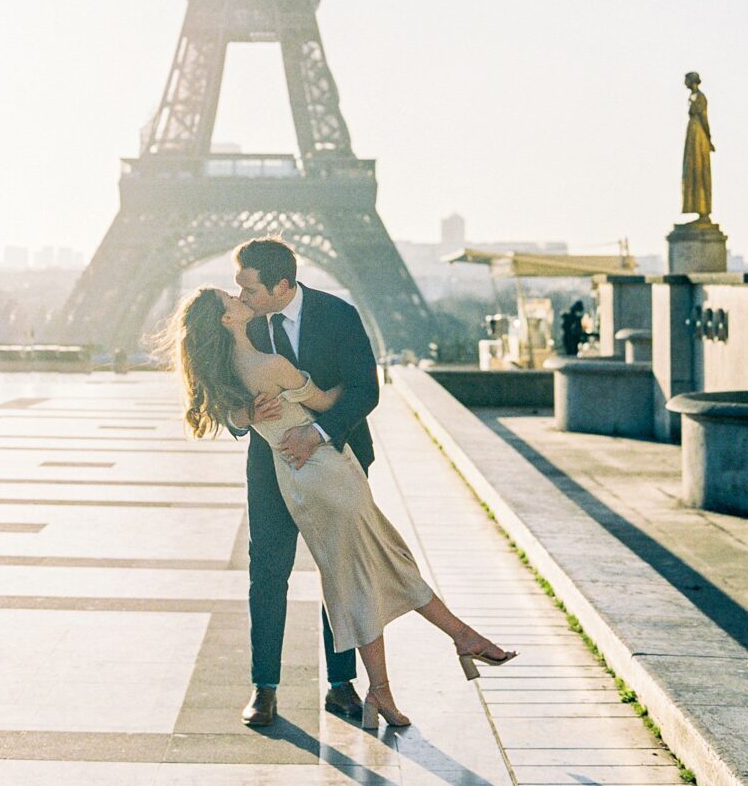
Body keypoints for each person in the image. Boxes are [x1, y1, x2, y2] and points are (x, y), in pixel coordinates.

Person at [169, 244, 515, 731]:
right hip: (272, 471)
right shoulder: (243, 326)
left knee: (346, 569)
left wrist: (317, 433)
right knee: (271, 573)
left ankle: (343, 683)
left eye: (248, 288)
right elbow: (223, 398)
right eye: (237, 291)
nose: (240, 295)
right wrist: (245, 415)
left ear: (282, 286)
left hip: (332, 460)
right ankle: (265, 686)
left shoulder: (337, 315)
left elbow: (364, 390)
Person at [681, 71, 715, 220]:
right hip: (693, 133)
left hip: (698, 135)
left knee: (700, 169)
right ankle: (696, 206)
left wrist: (708, 138)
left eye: (686, 80)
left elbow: (704, 118)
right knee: (692, 169)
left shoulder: (700, 97)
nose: (685, 83)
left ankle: (704, 209)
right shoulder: (693, 96)